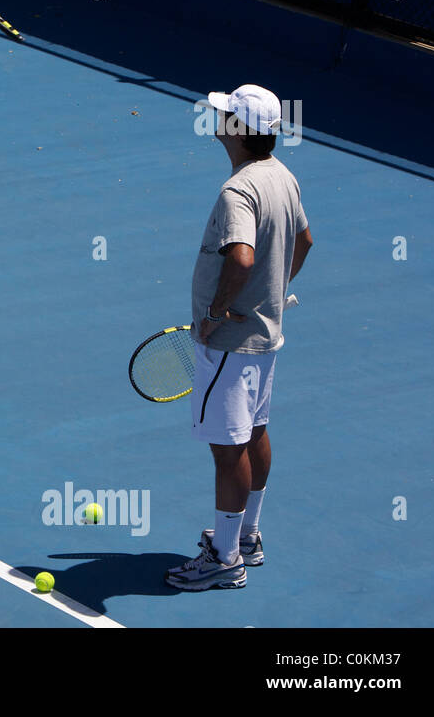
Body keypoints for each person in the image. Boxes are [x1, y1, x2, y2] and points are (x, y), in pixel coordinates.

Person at [166, 84, 313, 591]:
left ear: (238, 129)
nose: (216, 114)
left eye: (225, 112)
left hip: (230, 342)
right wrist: (276, 292)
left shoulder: (238, 191)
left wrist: (217, 311)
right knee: (255, 431)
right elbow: (304, 240)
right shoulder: (282, 176)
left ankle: (225, 560)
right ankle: (247, 535)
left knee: (228, 450)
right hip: (265, 337)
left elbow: (242, 256)